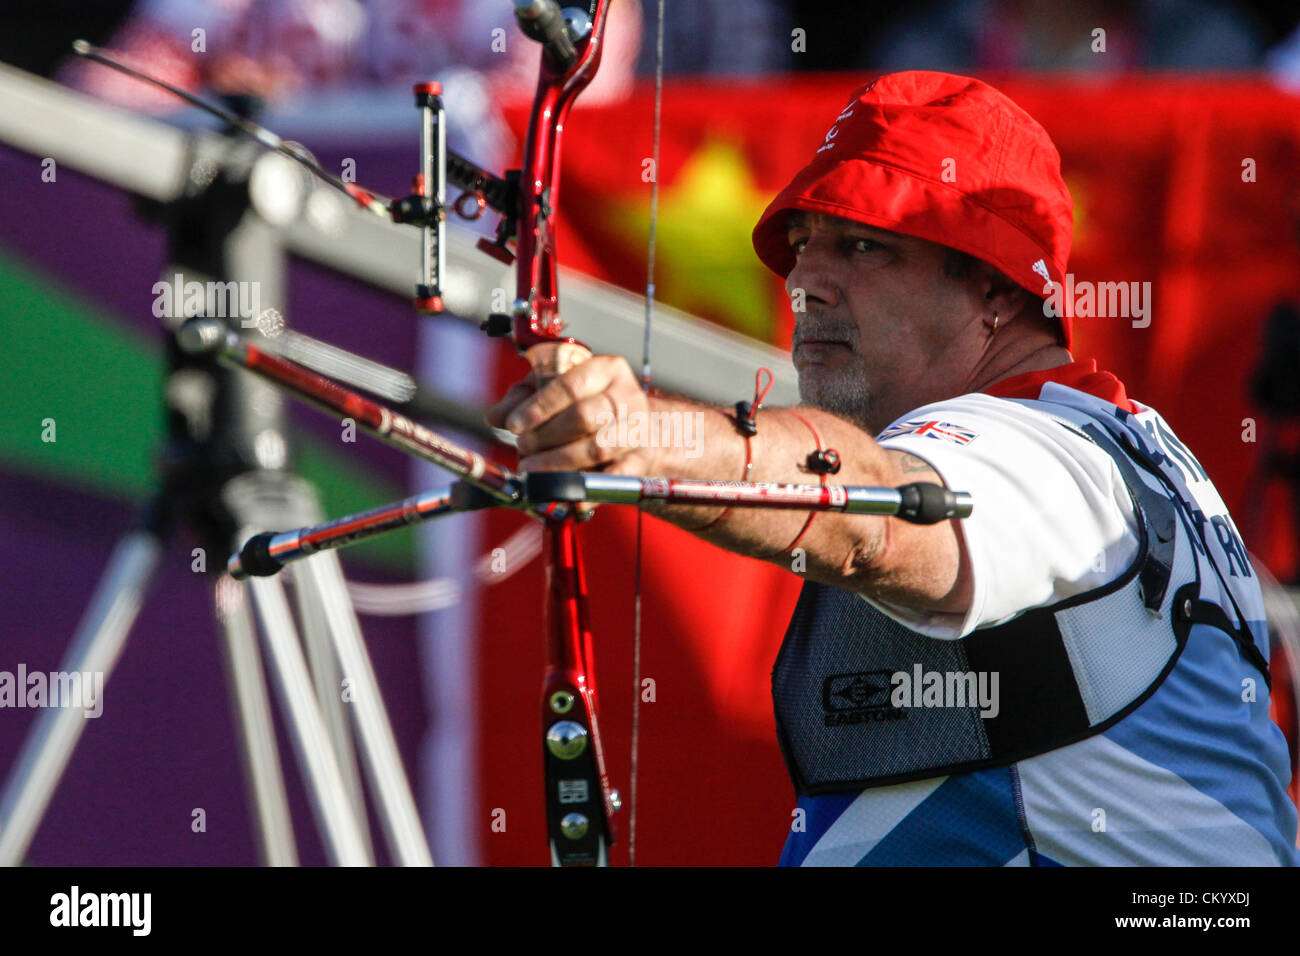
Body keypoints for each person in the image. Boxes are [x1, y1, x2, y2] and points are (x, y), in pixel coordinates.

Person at [488, 71, 1299, 866]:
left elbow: (875, 513)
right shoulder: (1119, 441)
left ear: (995, 286)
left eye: (863, 245)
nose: (806, 282)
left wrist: (647, 436)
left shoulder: (1044, 453)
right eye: (803, 247)